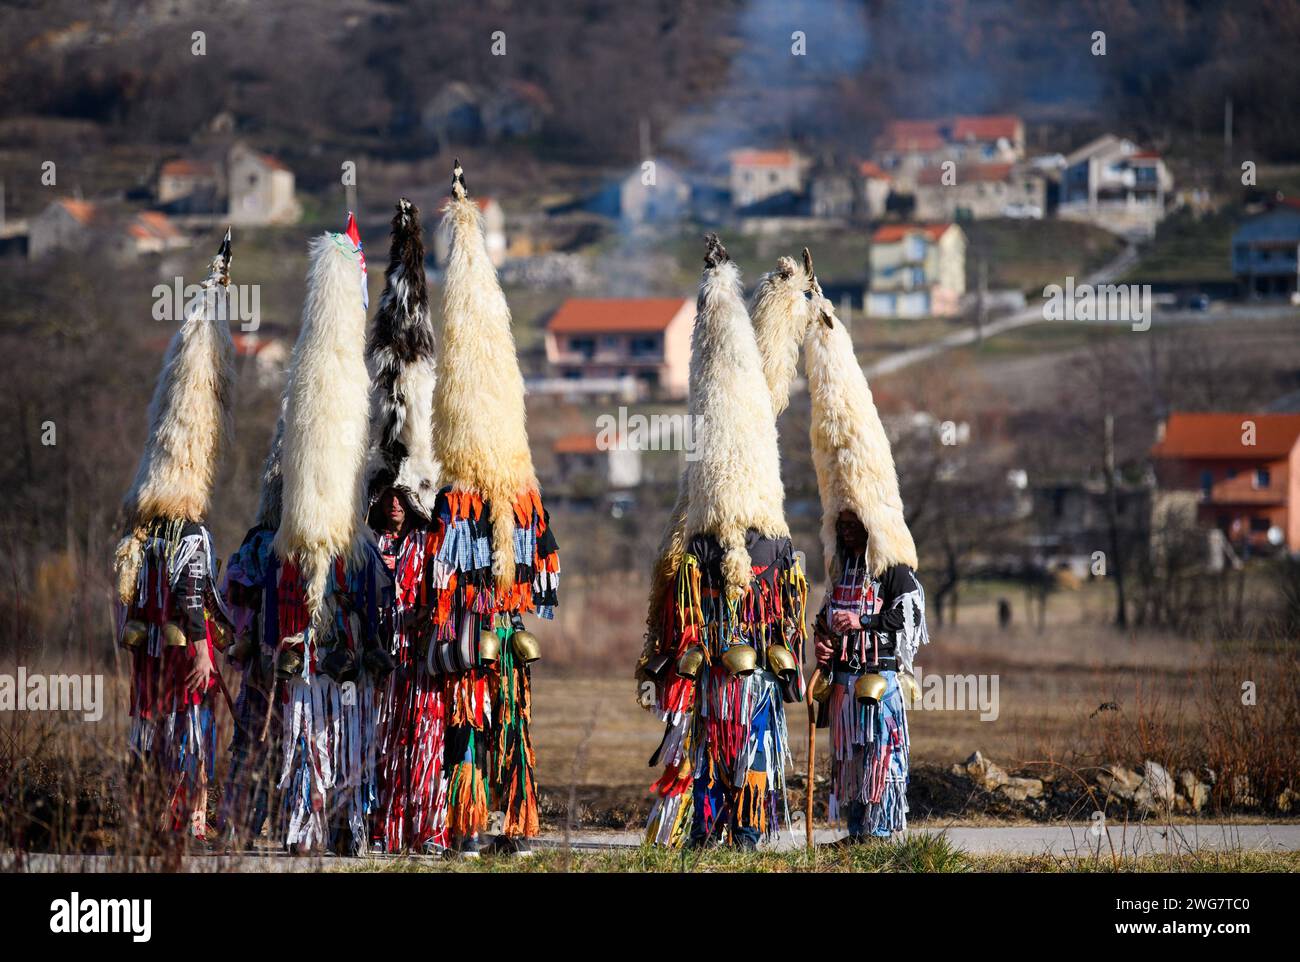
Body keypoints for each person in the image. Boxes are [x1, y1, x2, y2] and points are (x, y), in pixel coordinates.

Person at [639, 235, 807, 849]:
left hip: (753, 671)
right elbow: (680, 611)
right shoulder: (700, 546)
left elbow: (787, 619)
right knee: (709, 747)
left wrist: (788, 659)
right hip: (711, 670)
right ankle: (707, 826)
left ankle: (751, 827)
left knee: (753, 746)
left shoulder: (772, 546)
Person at [426, 161, 560, 858]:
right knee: (464, 728)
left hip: (502, 628)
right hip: (466, 630)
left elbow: (544, 569)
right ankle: (466, 825)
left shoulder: (519, 495)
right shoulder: (454, 499)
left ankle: (514, 825)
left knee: (512, 723)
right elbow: (437, 573)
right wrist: (449, 615)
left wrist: (516, 598)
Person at [270, 213, 390, 853]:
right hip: (311, 653)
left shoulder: (364, 554)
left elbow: (378, 608)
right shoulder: (294, 549)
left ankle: (349, 827)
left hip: (347, 651)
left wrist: (374, 641)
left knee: (352, 737)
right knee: (306, 737)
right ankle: (305, 827)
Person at [113, 230, 238, 841]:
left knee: (150, 724)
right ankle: (188, 815)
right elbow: (193, 597)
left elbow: (125, 600)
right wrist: (207, 647)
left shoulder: (141, 532)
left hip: (147, 653)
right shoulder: (188, 534)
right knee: (190, 726)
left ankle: (146, 812)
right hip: (180, 651)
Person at [803, 267, 928, 842]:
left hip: (876, 681)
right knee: (849, 763)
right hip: (845, 683)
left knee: (879, 760)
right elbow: (831, 615)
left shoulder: (895, 569)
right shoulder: (843, 566)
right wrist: (824, 630)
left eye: (857, 525)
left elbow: (909, 631)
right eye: (843, 524)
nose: (850, 534)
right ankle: (854, 828)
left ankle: (881, 833)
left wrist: (866, 623)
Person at [362, 199, 448, 855]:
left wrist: (431, 633)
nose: (393, 506)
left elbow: (441, 607)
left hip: (421, 670)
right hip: (378, 672)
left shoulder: (429, 548)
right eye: (385, 499)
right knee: (379, 747)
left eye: (400, 498)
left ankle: (428, 832)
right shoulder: (367, 553)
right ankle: (383, 830)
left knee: (423, 745)